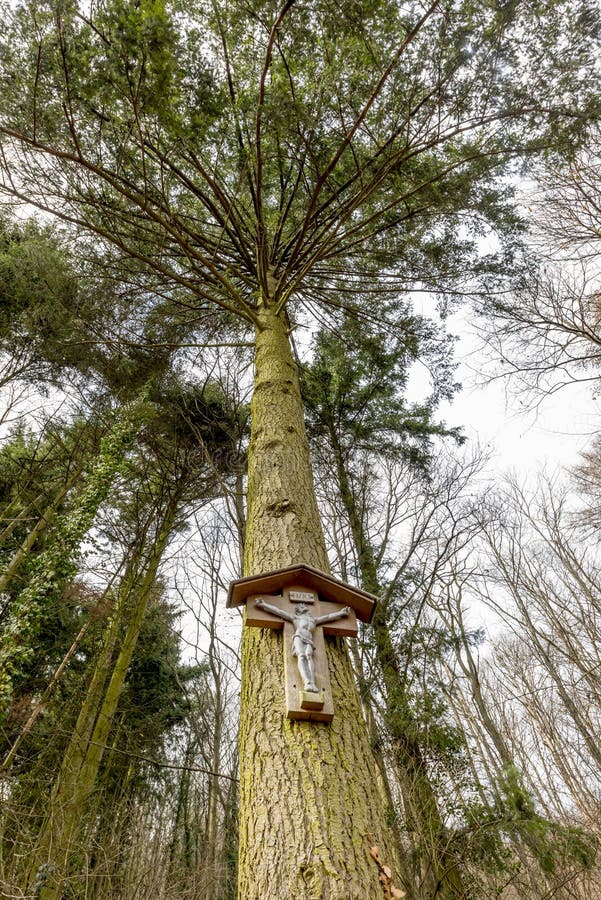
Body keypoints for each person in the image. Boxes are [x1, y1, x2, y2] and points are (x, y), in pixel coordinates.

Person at [255, 598, 350, 692]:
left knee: (309, 656)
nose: (303, 605)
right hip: (299, 637)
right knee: (301, 656)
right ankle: (307, 682)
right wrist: (263, 604)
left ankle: (312, 682)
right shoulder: (295, 618)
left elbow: (328, 617)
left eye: (304, 604)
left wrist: (341, 613)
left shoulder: (314, 620)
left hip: (309, 640)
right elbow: (278, 611)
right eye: (301, 605)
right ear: (298, 610)